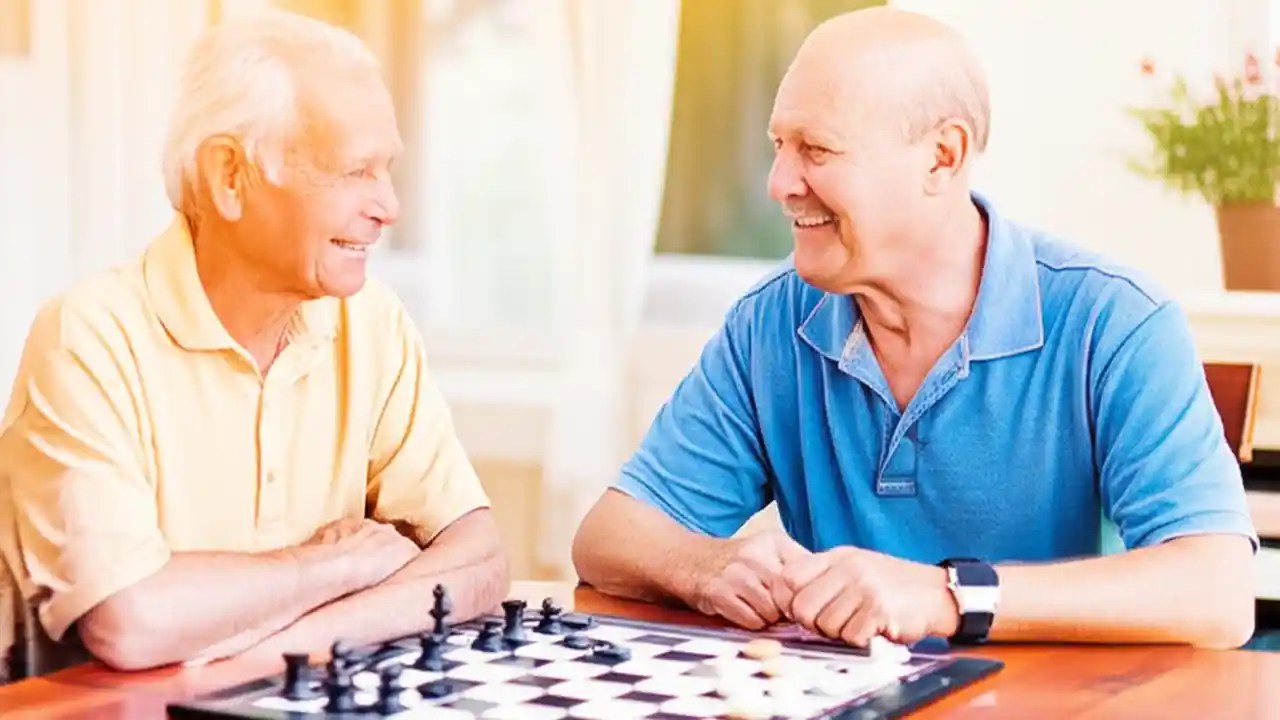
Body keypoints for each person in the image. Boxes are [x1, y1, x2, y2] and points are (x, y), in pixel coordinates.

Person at [572, 7, 1258, 650]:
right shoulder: (770, 324)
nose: (779, 182)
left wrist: (949, 596)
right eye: (780, 145)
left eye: (817, 149)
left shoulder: (1116, 322)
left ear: (942, 157)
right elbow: (608, 537)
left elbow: (1218, 591)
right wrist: (705, 564)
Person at [0, 10, 508, 675]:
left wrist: (273, 646)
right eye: (355, 170)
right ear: (230, 177)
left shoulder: (372, 323)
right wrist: (340, 563)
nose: (388, 206)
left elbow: (479, 558)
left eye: (386, 170)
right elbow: (132, 622)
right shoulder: (88, 337)